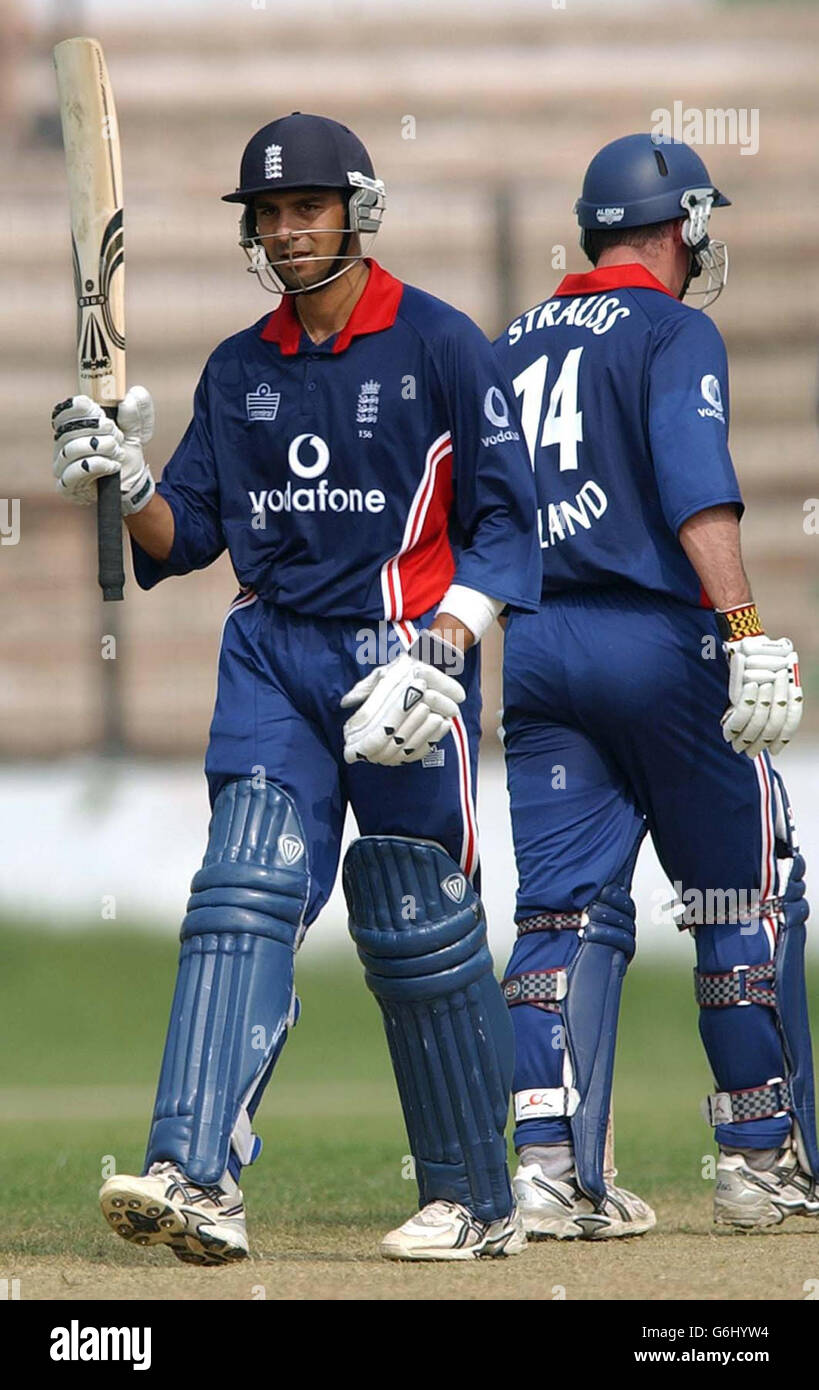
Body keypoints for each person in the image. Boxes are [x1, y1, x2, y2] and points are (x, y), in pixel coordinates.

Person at [51, 112, 541, 1263]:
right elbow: (183, 538)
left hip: (405, 660)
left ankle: (478, 1199)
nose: (286, 231)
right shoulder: (237, 367)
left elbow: (511, 525)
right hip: (274, 650)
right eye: (267, 215)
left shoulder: (440, 344)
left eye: (306, 208)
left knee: (415, 911)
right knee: (245, 881)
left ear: (358, 212)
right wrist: (125, 484)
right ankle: (196, 1174)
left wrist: (446, 648)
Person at [493, 133, 816, 1240]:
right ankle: (759, 1156)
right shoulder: (678, 329)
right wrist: (747, 632)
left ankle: (544, 1168)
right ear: (682, 228)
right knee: (741, 894)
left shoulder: (511, 339)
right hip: (653, 642)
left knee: (558, 913)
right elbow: (697, 500)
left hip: (534, 644)